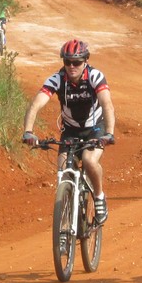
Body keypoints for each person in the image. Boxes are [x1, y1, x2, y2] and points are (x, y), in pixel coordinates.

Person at [21, 39, 116, 224]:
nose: (72, 66)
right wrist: (28, 131)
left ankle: (99, 197)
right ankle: (64, 224)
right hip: (71, 130)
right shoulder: (57, 79)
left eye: (77, 62)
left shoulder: (95, 76)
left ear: (85, 61)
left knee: (89, 160)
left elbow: (107, 104)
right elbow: (35, 104)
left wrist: (109, 133)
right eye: (67, 62)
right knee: (63, 171)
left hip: (96, 128)